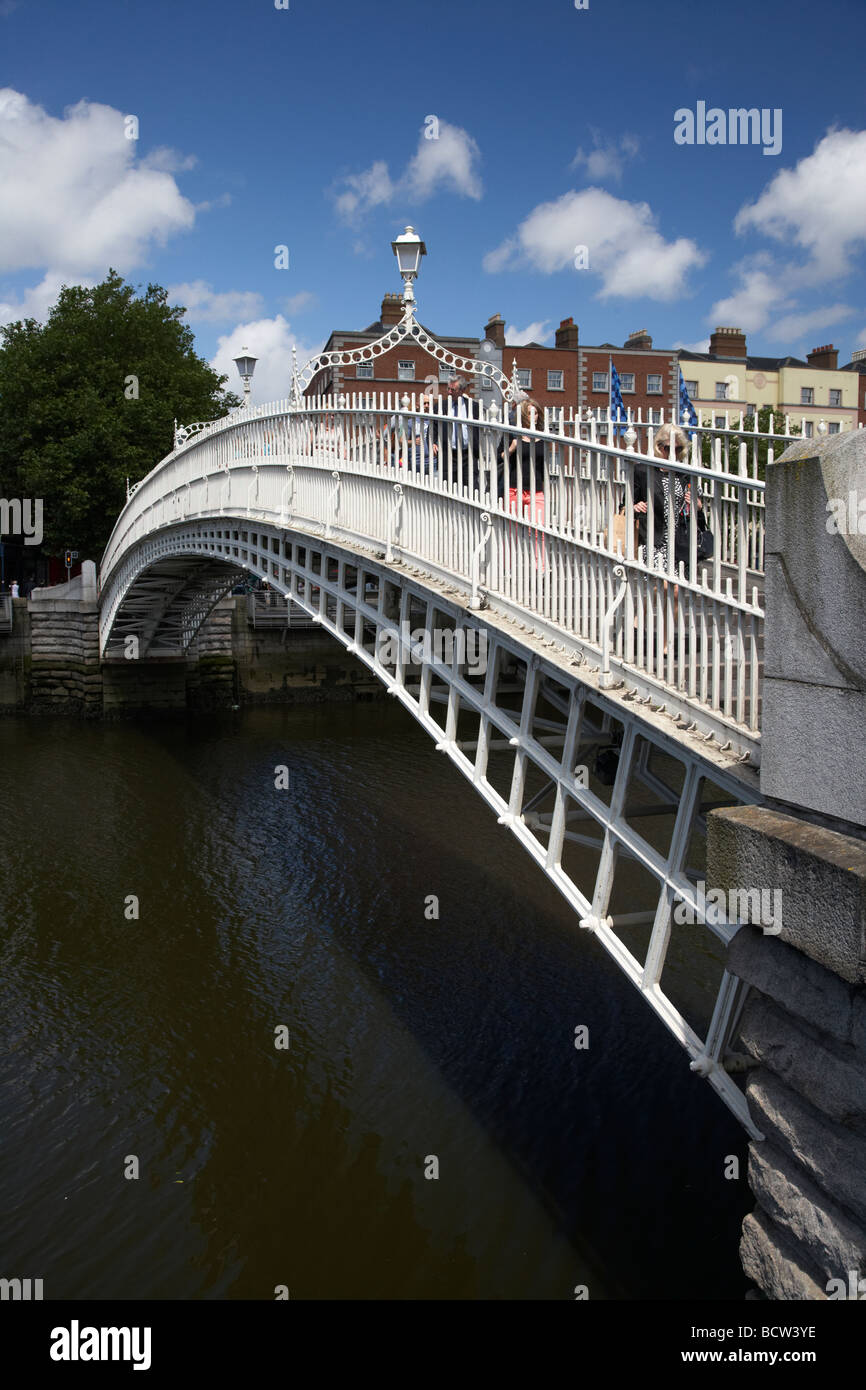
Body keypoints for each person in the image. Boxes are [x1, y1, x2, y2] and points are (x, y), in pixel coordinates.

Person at [497, 398, 547, 566]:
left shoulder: (543, 438)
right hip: (514, 488)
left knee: (538, 529)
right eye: (529, 413)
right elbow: (499, 457)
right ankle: (509, 565)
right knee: (512, 529)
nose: (533, 416)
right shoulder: (513, 434)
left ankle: (540, 565)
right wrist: (511, 449)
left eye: (536, 413)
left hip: (536, 489)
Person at [438, 376, 482, 492]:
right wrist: (433, 442)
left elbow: (478, 429)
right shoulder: (440, 406)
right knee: (448, 489)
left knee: (472, 489)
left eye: (453, 390)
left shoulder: (474, 407)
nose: (449, 392)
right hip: (449, 454)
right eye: (448, 389)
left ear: (462, 391)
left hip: (468, 454)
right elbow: (433, 427)